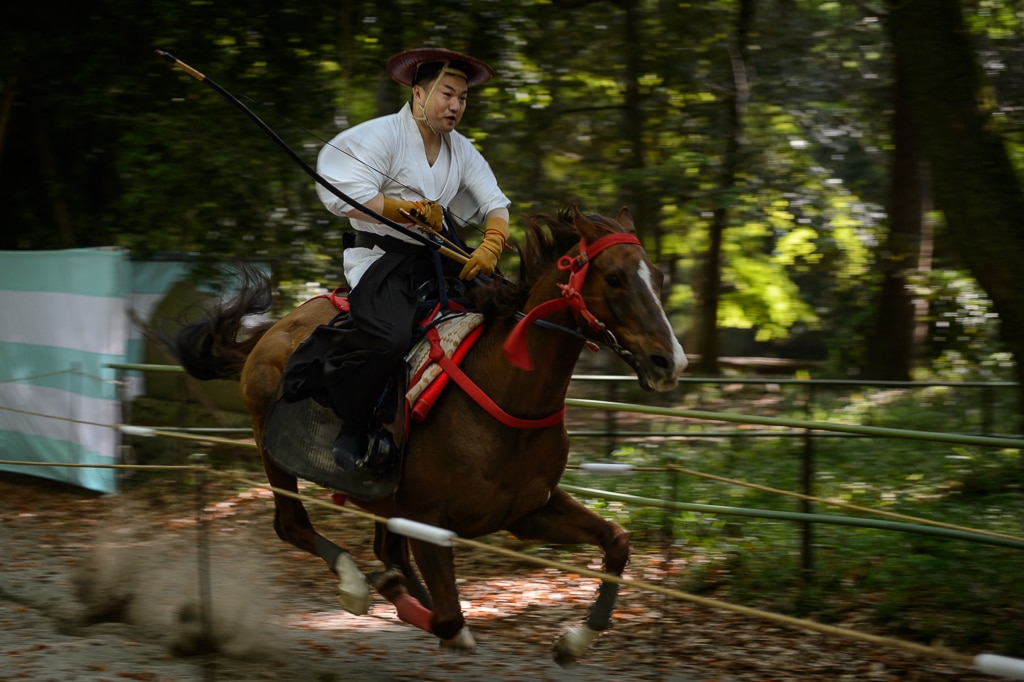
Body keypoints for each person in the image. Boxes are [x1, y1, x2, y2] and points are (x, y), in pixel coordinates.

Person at [313, 47, 511, 471]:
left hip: (437, 258)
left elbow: (494, 202)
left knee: (504, 311)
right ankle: (354, 425)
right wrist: (409, 210)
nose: (456, 105)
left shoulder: (462, 150)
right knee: (389, 338)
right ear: (418, 94)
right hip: (382, 258)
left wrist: (492, 242)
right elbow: (346, 195)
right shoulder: (382, 136)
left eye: (462, 98)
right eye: (447, 94)